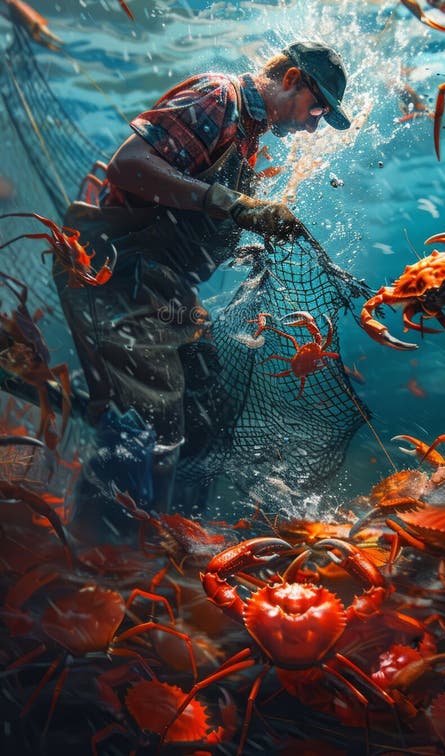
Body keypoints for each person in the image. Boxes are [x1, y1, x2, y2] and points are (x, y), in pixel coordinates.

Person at [55, 40, 351, 528]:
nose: (314, 122)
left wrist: (250, 242)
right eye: (317, 106)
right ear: (293, 79)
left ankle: (179, 537)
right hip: (117, 272)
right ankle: (101, 555)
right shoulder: (220, 97)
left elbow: (194, 225)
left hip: (168, 293)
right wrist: (227, 201)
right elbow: (127, 166)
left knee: (210, 412)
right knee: (152, 420)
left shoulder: (248, 141)